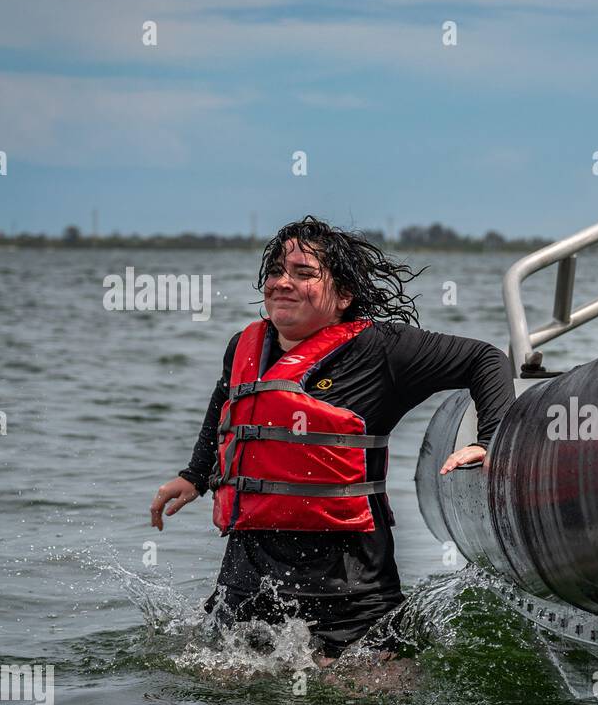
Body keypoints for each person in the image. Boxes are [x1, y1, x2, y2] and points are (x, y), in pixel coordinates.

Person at [149, 216, 515, 666]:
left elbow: (485, 359)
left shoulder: (382, 351)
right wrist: (195, 475)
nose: (283, 283)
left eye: (304, 274)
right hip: (248, 578)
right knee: (233, 698)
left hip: (348, 589)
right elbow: (228, 402)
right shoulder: (244, 347)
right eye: (277, 272)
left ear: (343, 296)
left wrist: (490, 439)